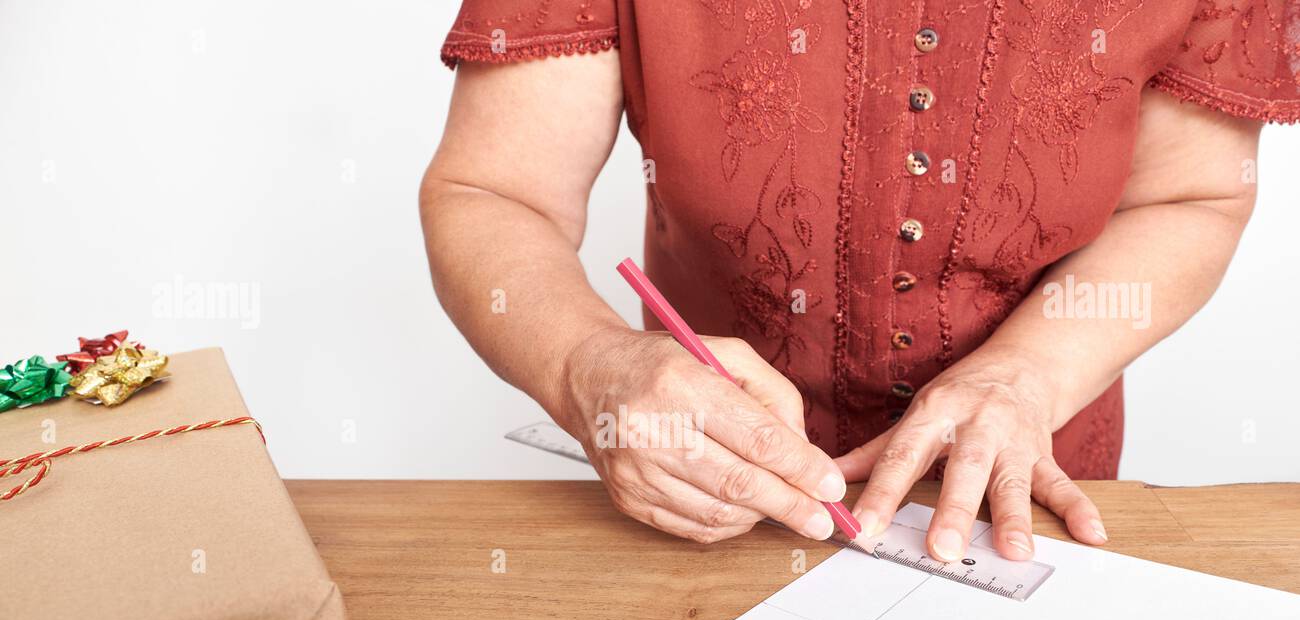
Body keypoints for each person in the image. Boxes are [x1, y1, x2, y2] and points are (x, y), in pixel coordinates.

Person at [421, 1, 1297, 561]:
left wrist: (1025, 374)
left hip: (1018, 506)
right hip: (699, 505)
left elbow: (1190, 197)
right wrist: (593, 365)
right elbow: (494, 192)